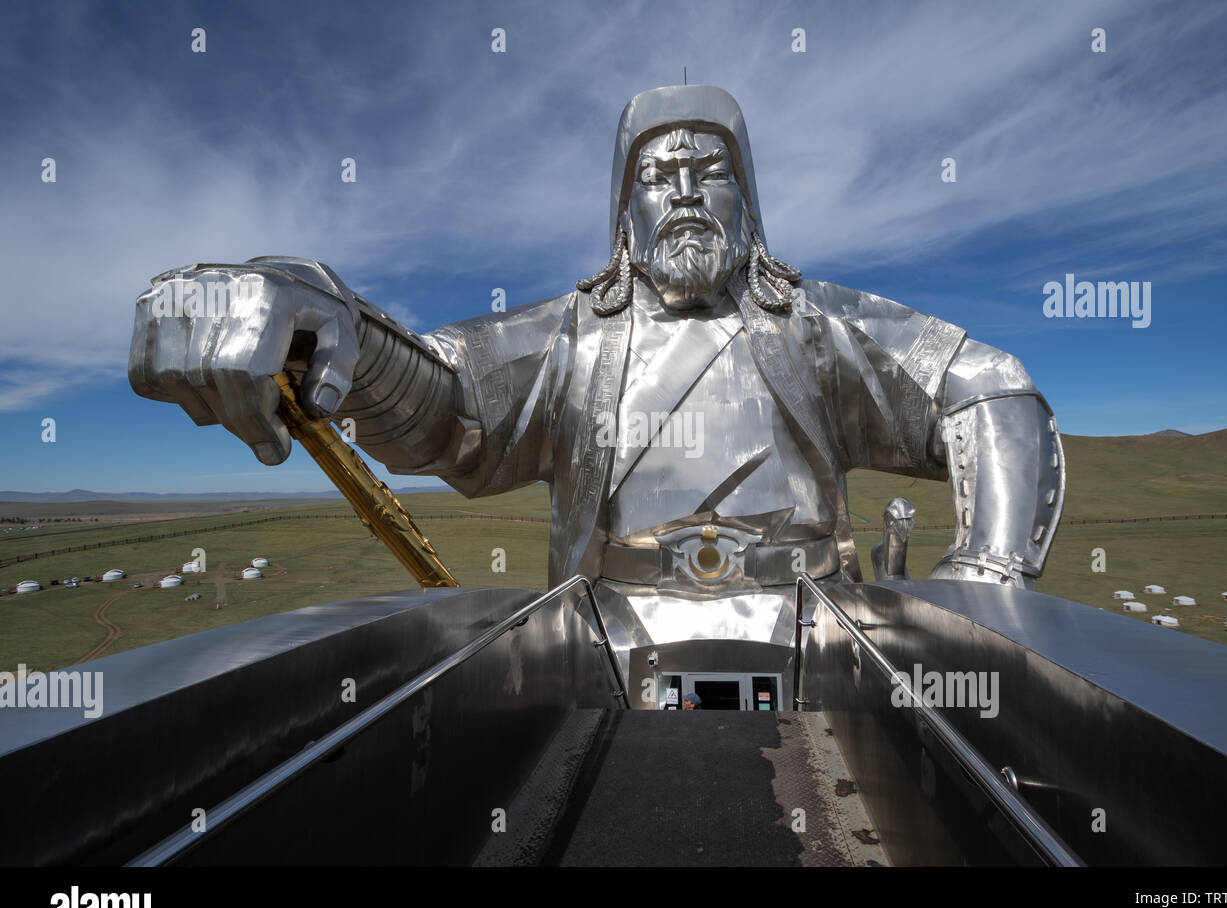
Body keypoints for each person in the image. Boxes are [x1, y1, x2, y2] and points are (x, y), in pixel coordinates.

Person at [128, 85, 1064, 659]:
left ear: (751, 203)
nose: (688, 192)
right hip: (604, 650)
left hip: (818, 637)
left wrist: (987, 568)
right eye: (661, 176)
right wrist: (321, 315)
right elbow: (444, 408)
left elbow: (987, 383)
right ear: (625, 217)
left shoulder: (816, 327)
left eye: (712, 170)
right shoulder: (571, 340)